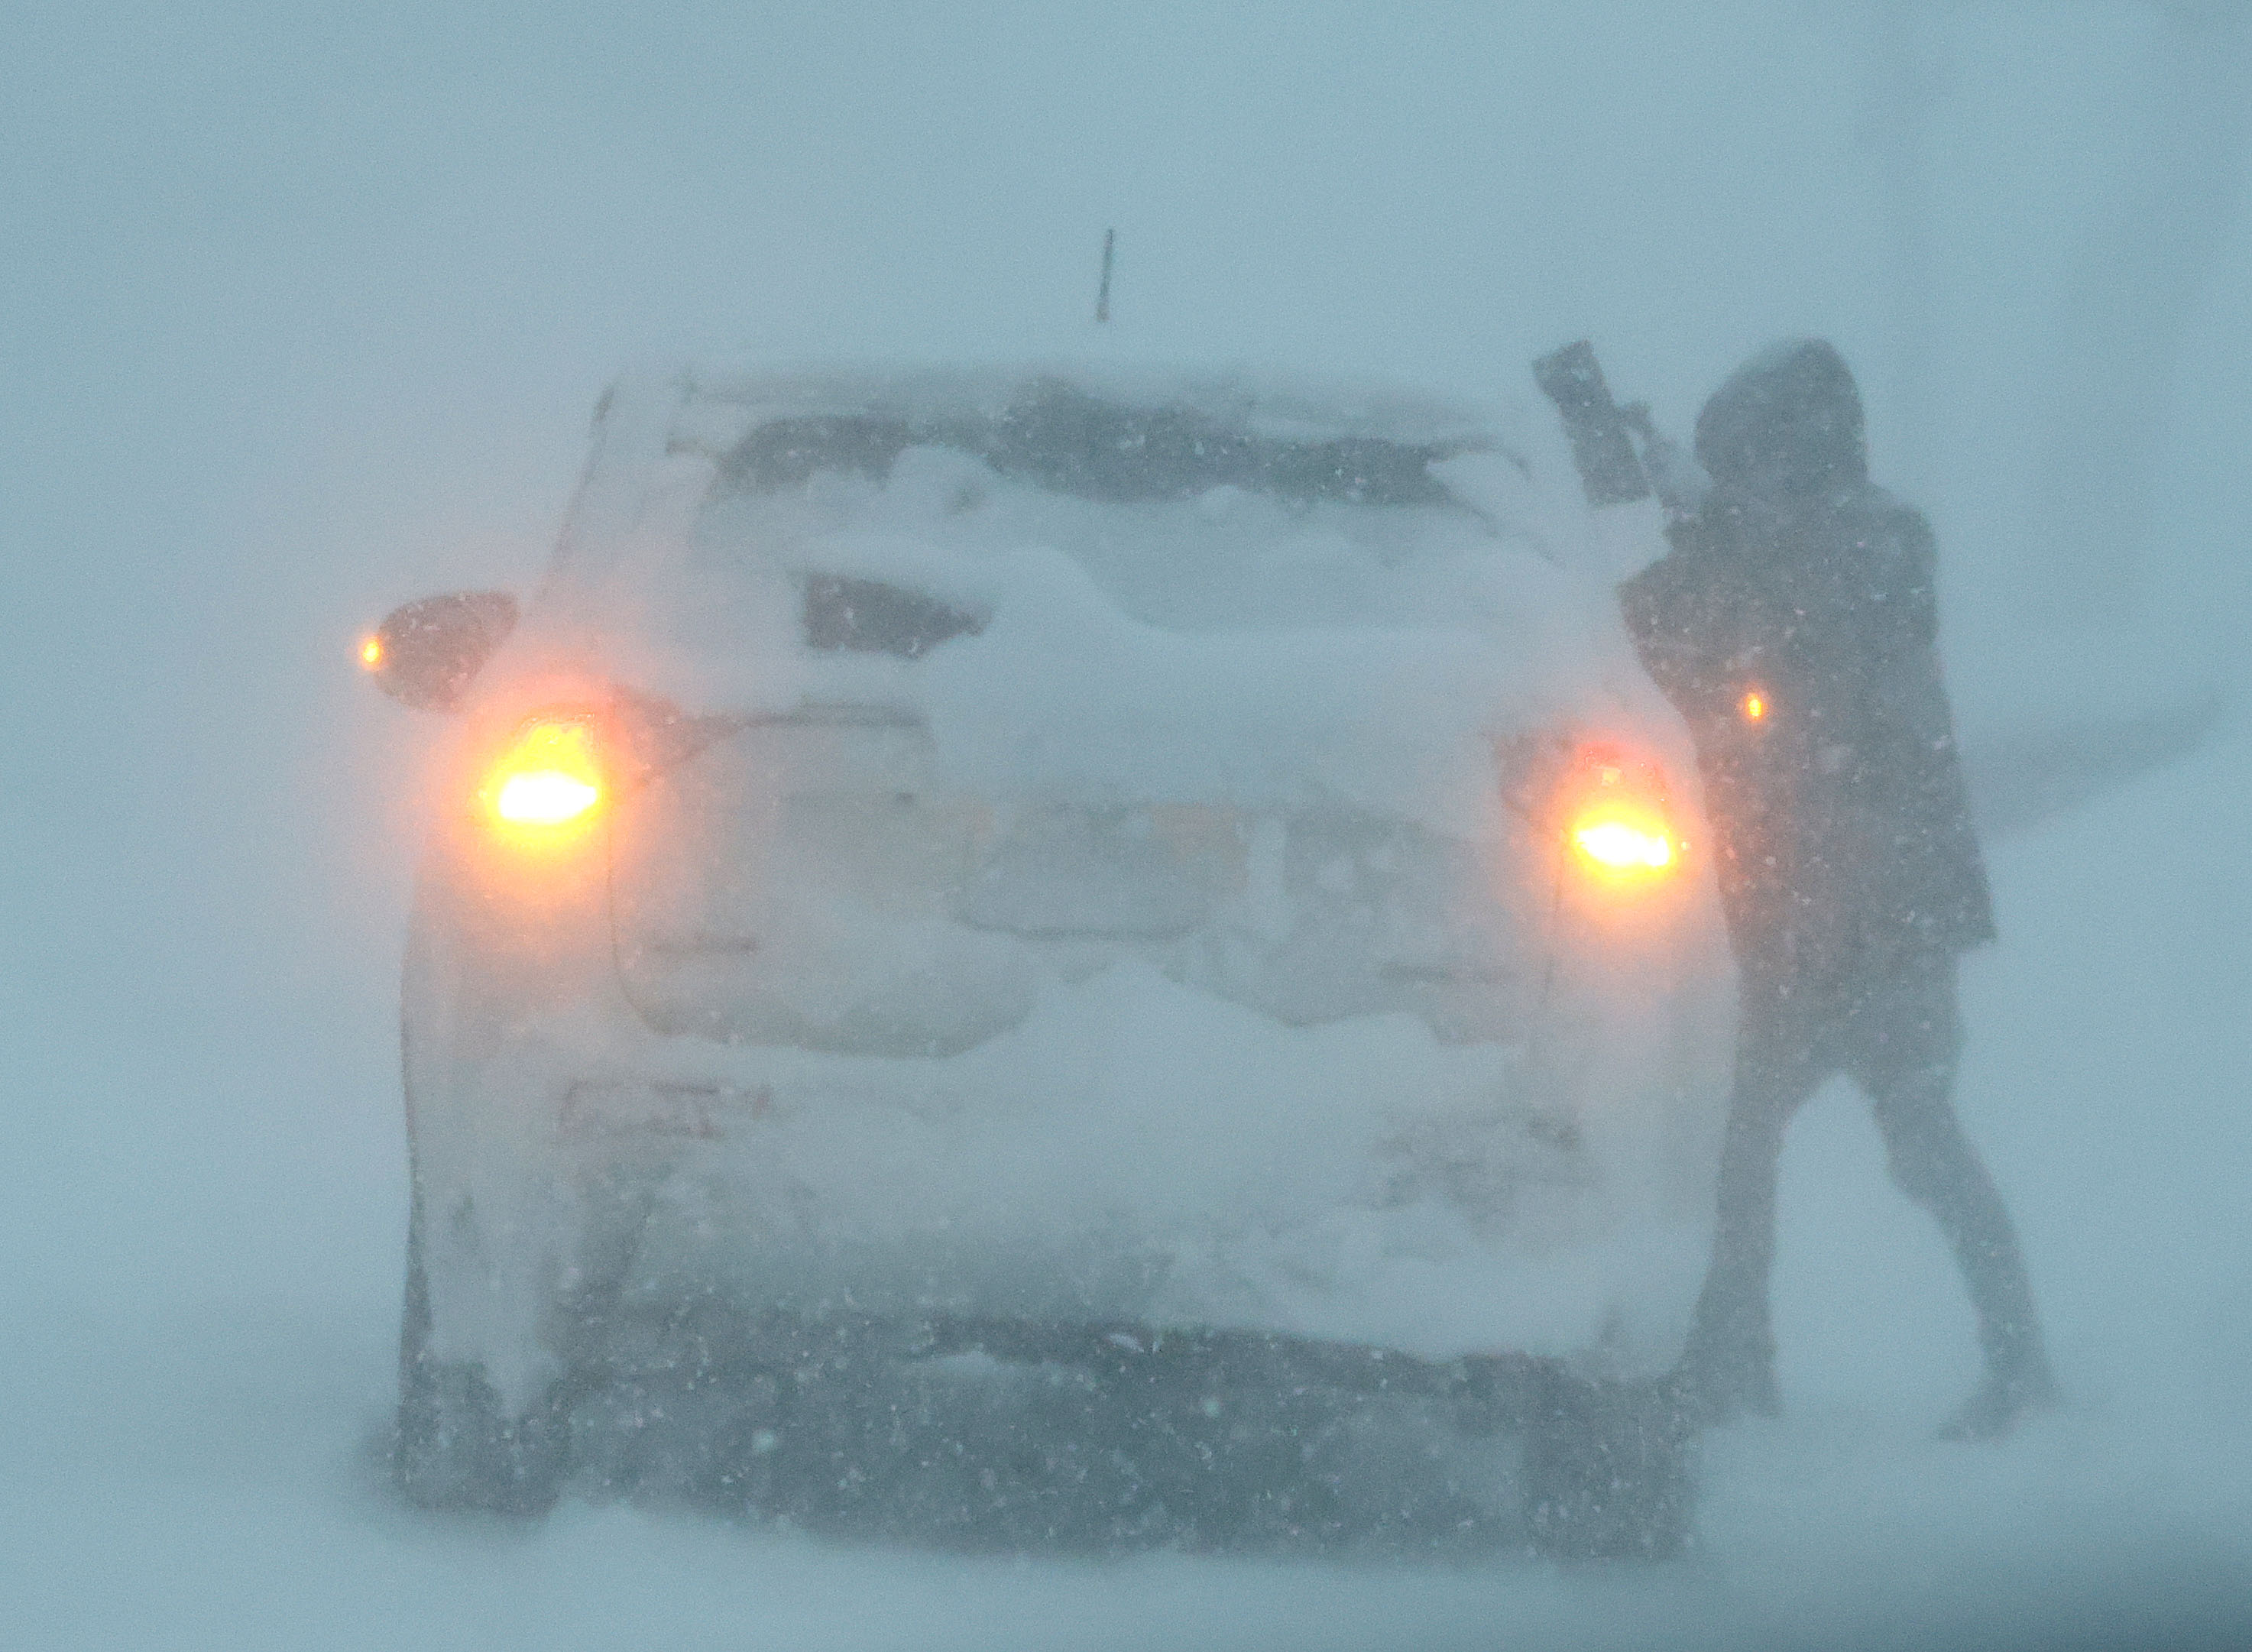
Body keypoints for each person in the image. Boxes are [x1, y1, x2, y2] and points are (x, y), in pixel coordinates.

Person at [1619, 340, 2057, 1440]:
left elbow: (1803, 605)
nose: (1741, 483)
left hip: (1874, 914)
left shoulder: (1878, 538)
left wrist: (1705, 524)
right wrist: (1657, 524)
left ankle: (2018, 1365)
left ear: (1798, 451)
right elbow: (1670, 642)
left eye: (1750, 461)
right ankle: (1739, 1367)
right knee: (1742, 1150)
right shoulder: (1775, 552)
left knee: (1908, 1139)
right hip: (1795, 914)